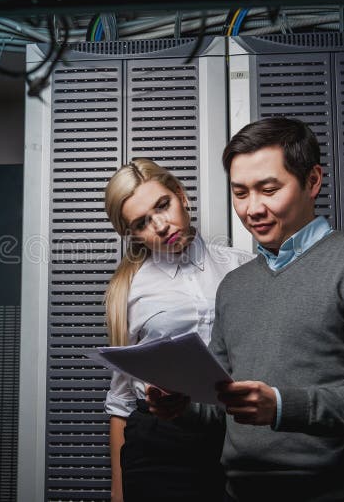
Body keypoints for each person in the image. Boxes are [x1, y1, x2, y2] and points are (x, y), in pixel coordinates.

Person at [148, 117, 344, 501]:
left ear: (313, 181)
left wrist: (281, 406)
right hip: (241, 491)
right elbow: (221, 405)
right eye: (240, 193)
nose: (252, 208)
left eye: (269, 189)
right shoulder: (235, 286)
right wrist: (182, 405)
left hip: (337, 491)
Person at [102, 158, 253, 502]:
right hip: (160, 443)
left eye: (163, 205)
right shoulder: (129, 290)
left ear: (181, 195)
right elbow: (121, 398)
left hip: (236, 431)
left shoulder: (243, 265)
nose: (160, 225)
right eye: (142, 222)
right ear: (132, 234)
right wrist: (118, 490)